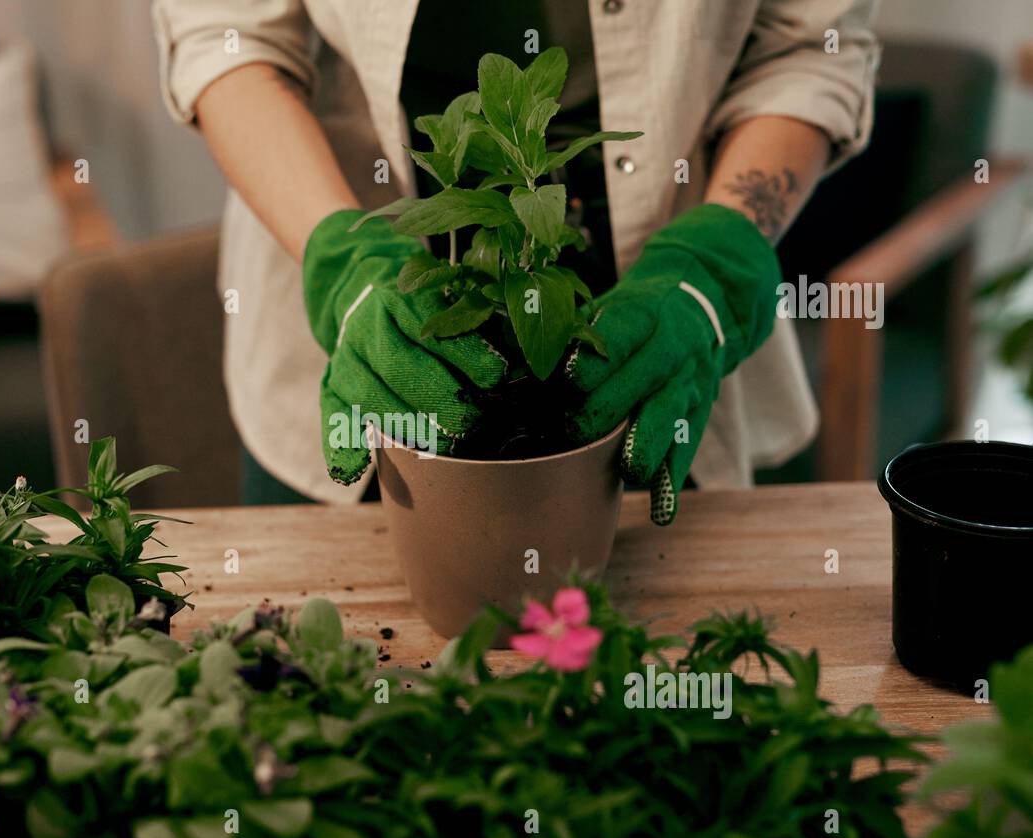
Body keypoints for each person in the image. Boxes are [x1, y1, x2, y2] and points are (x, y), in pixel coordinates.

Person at [152, 0, 879, 523]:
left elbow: (808, 45)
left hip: (659, 327)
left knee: (668, 689)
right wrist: (341, 256)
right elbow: (225, 34)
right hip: (359, 299)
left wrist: (716, 258)